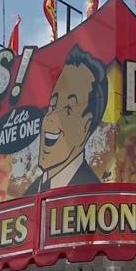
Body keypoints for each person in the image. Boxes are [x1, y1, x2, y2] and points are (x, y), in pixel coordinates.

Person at [25, 44, 108, 194]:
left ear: (86, 125)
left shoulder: (94, 193)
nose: (50, 119)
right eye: (52, 106)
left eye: (68, 109)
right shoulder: (27, 196)